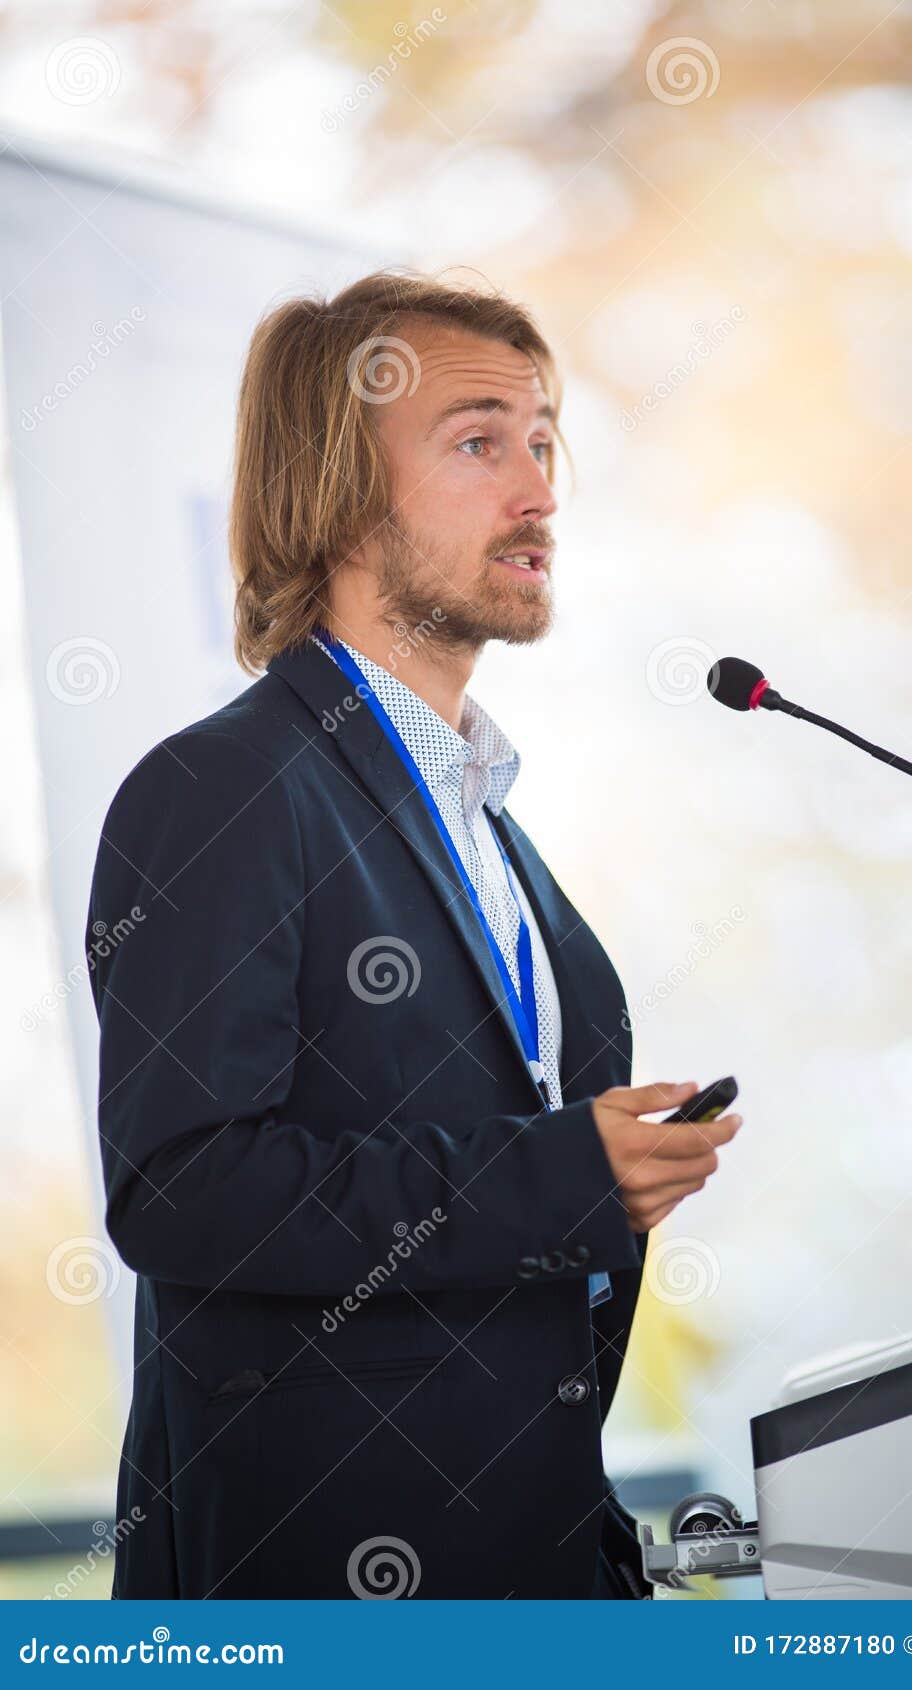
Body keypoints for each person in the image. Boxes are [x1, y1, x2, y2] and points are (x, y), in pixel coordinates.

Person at [86, 271, 743, 1599]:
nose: (540, 487)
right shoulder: (225, 787)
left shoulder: (493, 828)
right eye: (480, 438)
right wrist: (565, 1175)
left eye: (546, 439)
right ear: (339, 490)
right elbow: (184, 1188)